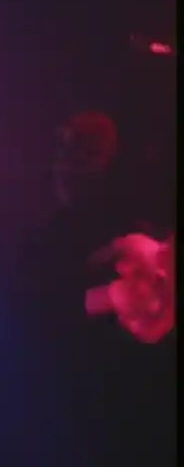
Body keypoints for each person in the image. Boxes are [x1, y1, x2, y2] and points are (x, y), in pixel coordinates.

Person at [13, 110, 175, 465]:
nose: (66, 166)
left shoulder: (133, 235)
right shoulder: (49, 236)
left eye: (83, 154)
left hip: (109, 412)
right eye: (65, 152)